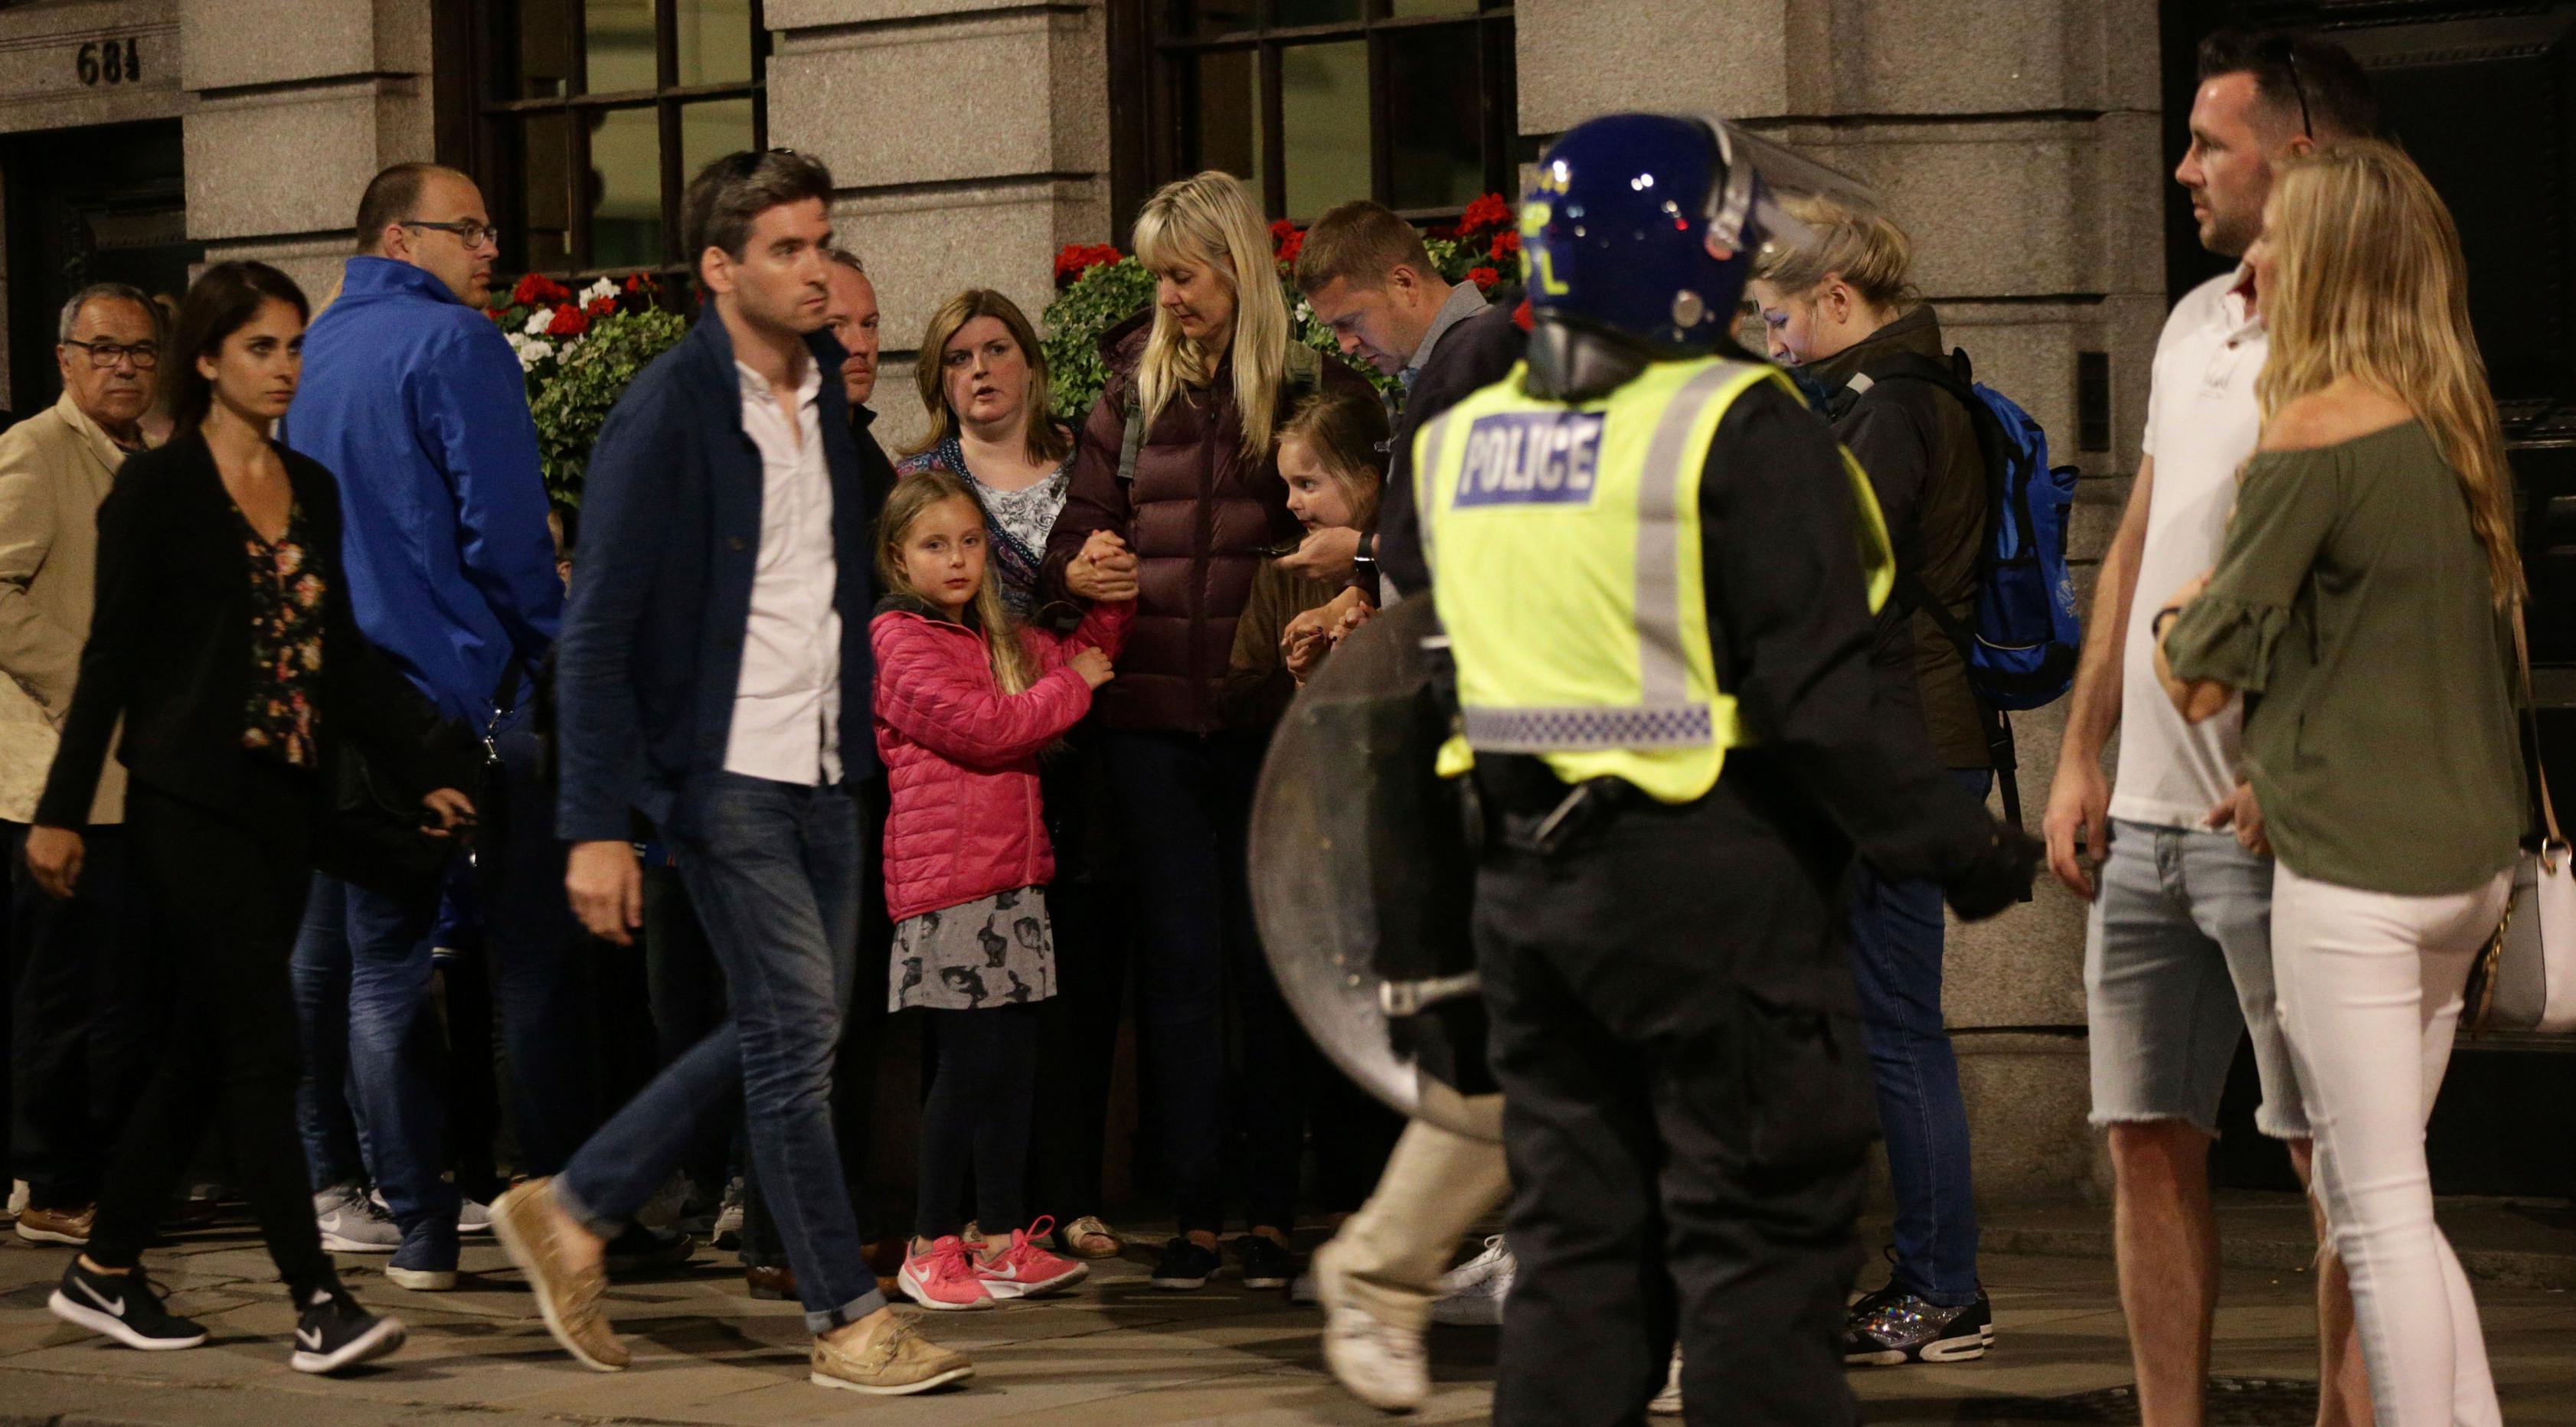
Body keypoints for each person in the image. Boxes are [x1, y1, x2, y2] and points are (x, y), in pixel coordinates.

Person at [1394, 112, 2035, 1425]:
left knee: (1577, 1261)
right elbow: (1820, 697)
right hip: (1710, 903)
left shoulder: (1462, 439)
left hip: (1526, 904)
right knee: (1756, 1257)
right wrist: (1958, 849)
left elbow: (1431, 673)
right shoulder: (1736, 423)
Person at [492, 149, 970, 1396]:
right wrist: (595, 822)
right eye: (786, 249)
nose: (817, 270)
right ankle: (846, 1319)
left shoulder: (828, 411)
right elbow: (597, 629)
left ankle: (575, 1203)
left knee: (788, 1031)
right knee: (795, 1029)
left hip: (827, 771)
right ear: (719, 268)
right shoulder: (666, 413)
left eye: (823, 241)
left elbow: (845, 591)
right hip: (723, 775)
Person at [25, 260, 473, 1374]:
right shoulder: (159, 488)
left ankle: (104, 1269)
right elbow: (111, 659)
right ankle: (318, 1301)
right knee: (264, 1045)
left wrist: (421, 763)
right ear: (209, 358)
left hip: (286, 803)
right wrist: (62, 812)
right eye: (261, 347)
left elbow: (337, 654)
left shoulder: (307, 484)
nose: (284, 368)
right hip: (186, 805)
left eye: (293, 346)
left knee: (201, 1047)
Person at [2037, 29, 2379, 1426]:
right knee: (2142, 1136)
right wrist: (2080, 752)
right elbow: (2137, 541)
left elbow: (2389, 579)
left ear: (2295, 155)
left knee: (2338, 1162)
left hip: (2280, 822)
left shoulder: (2371, 336)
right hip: (2147, 821)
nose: (2181, 167)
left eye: (2205, 143)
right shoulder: (2192, 322)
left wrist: (2298, 761)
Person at [2156, 139, 2522, 1427]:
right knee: (2396, 1199)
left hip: (2355, 870)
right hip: (2465, 869)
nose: (2252, 260)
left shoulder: (2313, 429)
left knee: (2371, 1213)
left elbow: (2197, 678)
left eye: (2278, 237)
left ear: (2325, 261)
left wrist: (2186, 607)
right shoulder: (2447, 423)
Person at [1041, 169, 1371, 1293]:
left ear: (1236, 266)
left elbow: (1365, 525)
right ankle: (1194, 1213)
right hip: (1148, 726)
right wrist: (1081, 564)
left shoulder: (1309, 385)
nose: (1169, 297)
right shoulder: (1130, 393)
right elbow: (1075, 533)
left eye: (1183, 274)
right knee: (1180, 971)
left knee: (1271, 964)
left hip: (1271, 720)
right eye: (1160, 279)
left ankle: (1270, 1212)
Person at [279, 162, 587, 1291]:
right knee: (532, 964)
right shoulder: (456, 342)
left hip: (347, 706)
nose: (492, 249)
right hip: (466, 699)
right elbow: (506, 537)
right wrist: (561, 653)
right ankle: (566, 1214)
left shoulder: (313, 351)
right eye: (471, 230)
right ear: (401, 239)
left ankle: (416, 1228)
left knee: (380, 970)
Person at [1281, 201, 1526, 1416]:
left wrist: (1370, 576)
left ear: (1403, 278)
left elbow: (1454, 548)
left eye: (1350, 323)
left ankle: (1389, 1269)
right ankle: (1389, 1270)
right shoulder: (1481, 359)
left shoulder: (1474, 359)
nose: (1350, 348)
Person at [1744, 198, 1996, 1364]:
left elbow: (1835, 580)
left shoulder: (1891, 409)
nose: (1772, 340)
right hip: (1902, 739)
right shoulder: (1897, 393)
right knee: (1872, 1021)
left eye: (1777, 317)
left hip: (1902, 749)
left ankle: (1942, 1289)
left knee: (1896, 1027)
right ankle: (1901, 1274)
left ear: (1836, 299)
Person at [897, 287, 1126, 1262]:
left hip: (1082, 747)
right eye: (957, 358)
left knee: (1068, 983)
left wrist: (1110, 592)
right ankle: (962, 1220)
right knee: (975, 1029)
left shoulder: (1087, 462)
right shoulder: (923, 483)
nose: (980, 370)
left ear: (1029, 361)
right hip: (975, 783)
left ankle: (1061, 1199)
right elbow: (958, 639)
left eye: (995, 349)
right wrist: (1065, 595)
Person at [725, 245, 905, 1305]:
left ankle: (821, 1225)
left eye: (874, 324)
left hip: (850, 761)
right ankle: (778, 1235)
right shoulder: (781, 444)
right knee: (799, 1012)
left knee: (837, 1009)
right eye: (842, 325)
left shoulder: (857, 446)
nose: (863, 344)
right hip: (787, 764)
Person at [0, 282, 163, 1249]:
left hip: (132, 775)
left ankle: (100, 1170)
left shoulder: (149, 455)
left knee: (121, 987)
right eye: (103, 349)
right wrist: (82, 682)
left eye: (139, 350)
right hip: (51, 777)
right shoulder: (36, 449)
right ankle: (53, 1185)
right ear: (65, 359)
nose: (123, 366)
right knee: (59, 991)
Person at [1228, 390, 1384, 720]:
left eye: (1307, 484)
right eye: (1287, 485)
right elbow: (1238, 697)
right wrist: (1302, 680)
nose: (1290, 502)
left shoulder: (1407, 564)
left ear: (1365, 482)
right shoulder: (1282, 570)